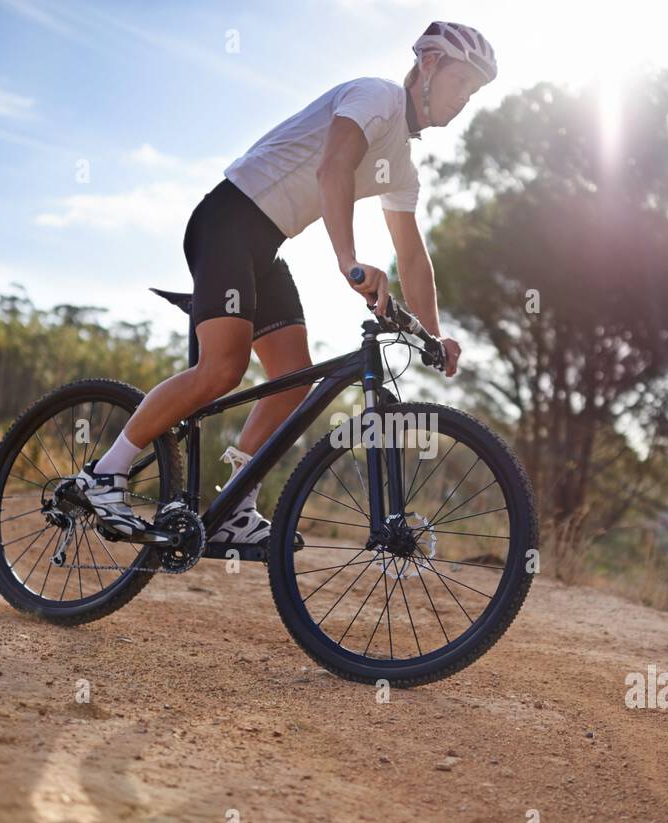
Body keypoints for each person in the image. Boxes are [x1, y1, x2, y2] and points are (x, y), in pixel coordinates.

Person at [75, 21, 497, 546]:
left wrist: (433, 336)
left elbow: (412, 254)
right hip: (227, 220)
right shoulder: (377, 96)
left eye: (473, 93)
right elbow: (333, 170)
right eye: (462, 84)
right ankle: (104, 474)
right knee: (223, 368)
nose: (464, 100)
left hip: (264, 246)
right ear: (429, 65)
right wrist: (349, 261)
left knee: (294, 379)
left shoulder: (402, 167)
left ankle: (233, 506)